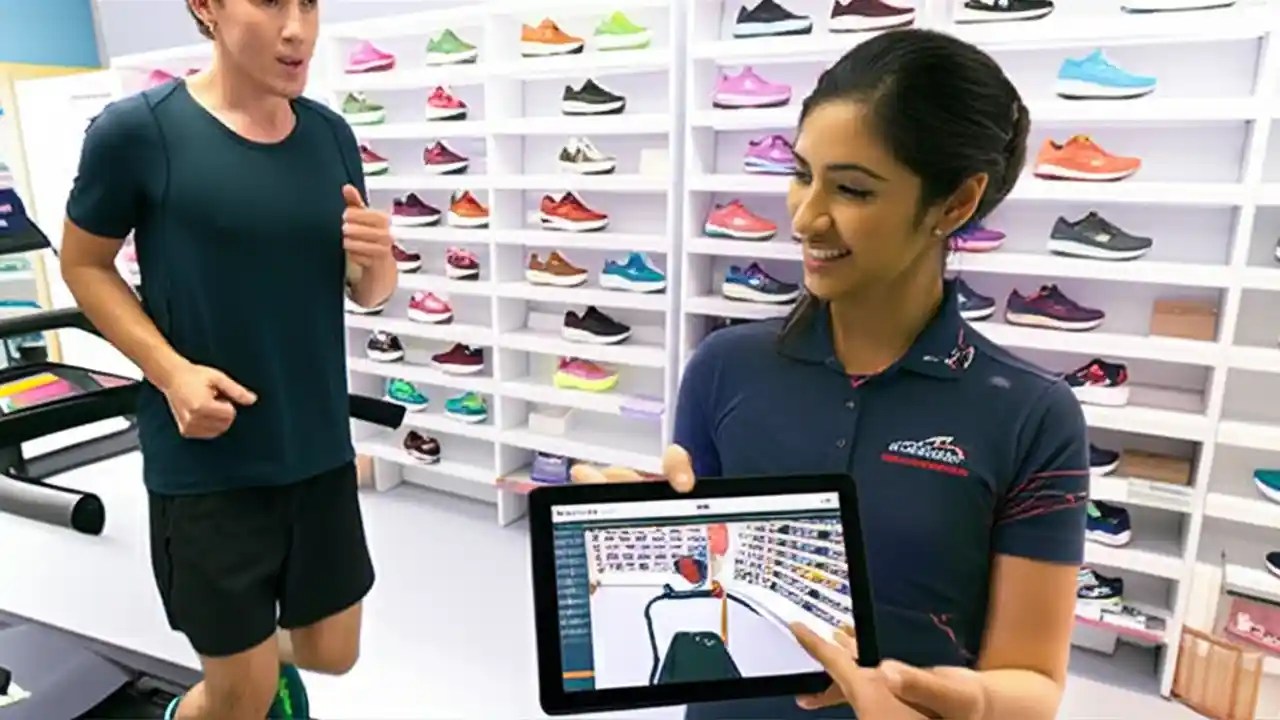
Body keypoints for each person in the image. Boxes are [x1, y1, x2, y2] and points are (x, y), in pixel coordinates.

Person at [575, 29, 1087, 720]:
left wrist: (960, 702)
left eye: (850, 188)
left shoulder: (1033, 416)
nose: (807, 217)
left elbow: (1032, 681)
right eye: (801, 174)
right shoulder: (722, 366)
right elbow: (707, 575)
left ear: (956, 204)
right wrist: (635, 528)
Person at [58, 0, 397, 717]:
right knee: (239, 699)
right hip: (207, 462)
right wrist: (171, 371)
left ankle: (246, 650)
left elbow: (363, 287)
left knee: (335, 652)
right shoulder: (138, 132)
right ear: (206, 6)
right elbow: (85, 265)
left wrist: (379, 268)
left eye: (308, 2)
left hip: (316, 449)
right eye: (271, 1)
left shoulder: (332, 134)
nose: (297, 27)